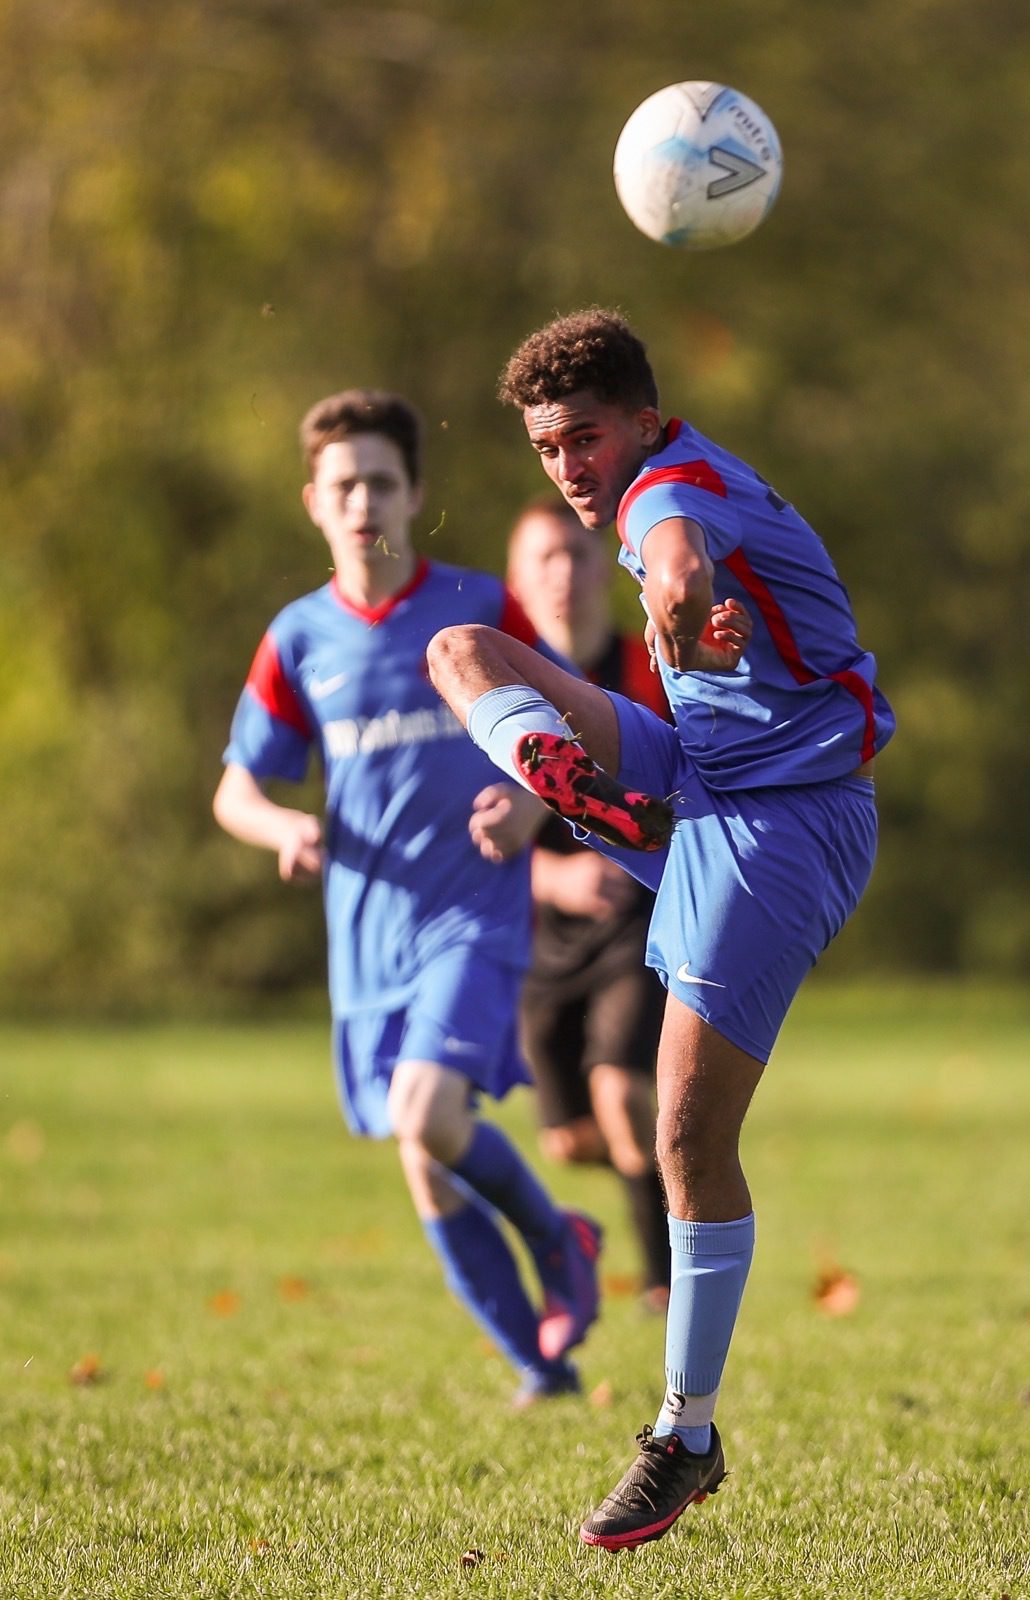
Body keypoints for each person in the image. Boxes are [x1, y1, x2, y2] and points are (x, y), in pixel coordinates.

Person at [426, 309, 895, 1548]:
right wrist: (669, 637)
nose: (569, 466)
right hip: (695, 779)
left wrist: (678, 610)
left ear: (640, 420)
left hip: (782, 820)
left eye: (583, 437)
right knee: (463, 647)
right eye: (545, 448)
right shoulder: (672, 481)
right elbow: (680, 576)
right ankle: (556, 780)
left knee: (685, 1135)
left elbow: (674, 559)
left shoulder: (664, 490)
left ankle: (683, 1436)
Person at [212, 388, 602, 1409]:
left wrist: (527, 803)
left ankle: (561, 1239)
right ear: (313, 501)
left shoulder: (478, 610)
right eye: (343, 484)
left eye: (381, 481)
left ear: (413, 491)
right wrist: (282, 824)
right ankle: (541, 1367)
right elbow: (236, 789)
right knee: (425, 1164)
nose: (362, 501)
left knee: (425, 1113)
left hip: (471, 914)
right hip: (364, 933)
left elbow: (574, 715)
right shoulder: (298, 639)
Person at [505, 495, 672, 1312]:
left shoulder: (649, 671)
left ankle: (665, 1280)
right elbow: (471, 840)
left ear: (603, 569)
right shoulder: (495, 686)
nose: (563, 573)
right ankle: (684, 1166)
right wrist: (555, 879)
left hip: (638, 919)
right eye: (544, 558)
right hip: (542, 933)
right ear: (517, 581)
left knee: (621, 1092)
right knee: (569, 1141)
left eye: (576, 554)